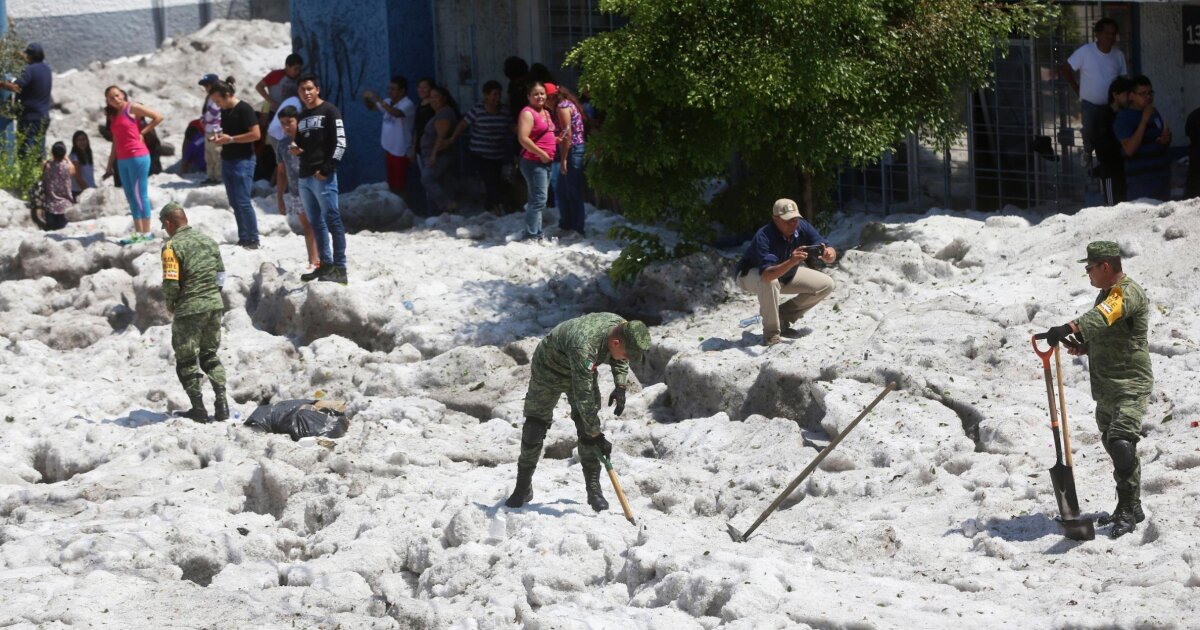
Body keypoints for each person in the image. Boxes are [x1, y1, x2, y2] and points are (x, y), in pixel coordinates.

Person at [1042, 241, 1152, 538]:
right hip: (1106, 387)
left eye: (1089, 268)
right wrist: (1086, 346)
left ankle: (1128, 508)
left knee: (1120, 442)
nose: (1087, 273)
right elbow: (1110, 329)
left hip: (1130, 383)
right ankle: (1131, 504)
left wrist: (1068, 327)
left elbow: (1106, 315)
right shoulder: (1106, 294)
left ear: (1105, 266)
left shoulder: (1125, 292)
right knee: (1112, 442)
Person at [504, 314, 652, 512]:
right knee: (534, 429)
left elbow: (621, 358)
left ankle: (594, 489)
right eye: (627, 354)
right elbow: (585, 397)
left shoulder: (624, 327)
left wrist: (621, 385)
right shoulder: (584, 345)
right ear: (615, 342)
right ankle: (522, 487)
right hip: (548, 369)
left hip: (581, 369)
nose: (627, 359)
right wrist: (597, 434)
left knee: (586, 430)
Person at [160, 202, 228, 423]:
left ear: (169, 222)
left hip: (189, 308)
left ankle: (198, 408)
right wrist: (212, 296)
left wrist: (172, 304)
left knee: (187, 359)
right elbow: (221, 275)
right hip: (214, 305)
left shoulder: (171, 246)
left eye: (164, 225)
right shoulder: (209, 241)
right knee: (210, 355)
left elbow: (171, 283)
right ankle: (222, 403)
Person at [735, 199, 838, 346]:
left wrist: (829, 254)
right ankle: (771, 334)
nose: (793, 223)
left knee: (826, 284)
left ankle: (782, 317)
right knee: (770, 282)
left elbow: (828, 247)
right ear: (775, 219)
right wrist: (792, 261)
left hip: (785, 272)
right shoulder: (764, 236)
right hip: (750, 275)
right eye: (788, 220)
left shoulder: (801, 226)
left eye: (795, 219)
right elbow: (766, 274)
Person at [293, 74, 349, 285]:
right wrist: (294, 148)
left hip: (322, 177)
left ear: (317, 89)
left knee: (332, 220)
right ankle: (324, 265)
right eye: (302, 90)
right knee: (315, 223)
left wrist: (327, 168)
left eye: (309, 88)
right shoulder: (302, 116)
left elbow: (341, 144)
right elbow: (300, 144)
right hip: (304, 177)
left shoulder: (330, 110)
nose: (306, 93)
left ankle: (340, 267)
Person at [102, 86, 163, 244]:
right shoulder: (112, 114)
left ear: (122, 94)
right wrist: (110, 164)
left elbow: (158, 117)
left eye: (117, 95)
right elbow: (115, 140)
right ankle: (138, 232)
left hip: (138, 155)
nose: (115, 99)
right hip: (122, 159)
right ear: (107, 101)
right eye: (111, 98)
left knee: (139, 194)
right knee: (130, 195)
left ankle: (147, 232)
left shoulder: (132, 107)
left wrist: (143, 132)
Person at [1061, 18, 1127, 161]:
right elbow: (1066, 68)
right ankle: (1087, 151)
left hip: (1112, 105)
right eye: (1107, 33)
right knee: (1089, 131)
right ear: (1097, 34)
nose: (1110, 37)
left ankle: (1112, 158)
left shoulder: (1118, 55)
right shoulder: (1085, 51)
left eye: (1113, 34)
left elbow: (1123, 80)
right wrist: (1076, 88)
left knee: (1113, 133)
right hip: (1090, 103)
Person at [208, 80, 262, 249]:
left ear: (227, 95)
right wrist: (219, 138)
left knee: (243, 200)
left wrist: (231, 139)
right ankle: (244, 237)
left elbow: (255, 134)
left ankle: (253, 238)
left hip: (243, 160)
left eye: (218, 101)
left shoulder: (245, 109)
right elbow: (229, 133)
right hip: (228, 159)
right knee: (234, 201)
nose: (218, 105)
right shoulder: (225, 111)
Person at [448, 80, 510, 214]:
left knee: (496, 181)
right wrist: (452, 139)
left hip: (497, 154)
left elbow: (512, 127)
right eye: (493, 94)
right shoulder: (477, 110)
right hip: (480, 154)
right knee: (490, 181)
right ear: (486, 95)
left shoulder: (504, 111)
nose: (496, 98)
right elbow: (463, 125)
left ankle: (488, 209)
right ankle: (496, 208)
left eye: (498, 94)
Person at [275, 106, 321, 271]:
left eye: (290, 122)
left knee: (318, 224)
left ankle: (324, 259)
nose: (286, 126)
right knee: (307, 227)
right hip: (295, 192)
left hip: (314, 189)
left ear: (298, 121)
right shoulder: (282, 145)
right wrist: (280, 197)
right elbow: (281, 172)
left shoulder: (310, 139)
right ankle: (313, 260)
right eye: (282, 123)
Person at [1114, 75, 1171, 201]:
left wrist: (1165, 140)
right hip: (1141, 182)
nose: (1148, 97)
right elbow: (1129, 149)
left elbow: (1158, 139)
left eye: (1150, 93)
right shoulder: (1124, 118)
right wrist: (1143, 121)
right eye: (1143, 94)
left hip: (1161, 177)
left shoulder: (1154, 112)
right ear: (1131, 96)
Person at [516, 81, 557, 241]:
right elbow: (523, 138)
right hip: (533, 161)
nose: (539, 96)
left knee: (539, 199)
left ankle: (536, 233)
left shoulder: (546, 112)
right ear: (529, 97)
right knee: (538, 199)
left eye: (542, 93)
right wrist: (541, 153)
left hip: (545, 161)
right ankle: (532, 234)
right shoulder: (527, 113)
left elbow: (546, 133)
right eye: (535, 94)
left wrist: (555, 140)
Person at [364, 76, 416, 196]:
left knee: (400, 184)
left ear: (402, 91)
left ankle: (404, 209)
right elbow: (371, 107)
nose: (389, 91)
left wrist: (378, 99)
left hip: (401, 150)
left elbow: (397, 113)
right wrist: (367, 98)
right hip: (389, 148)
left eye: (393, 89)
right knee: (392, 183)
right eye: (389, 88)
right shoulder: (388, 102)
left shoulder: (407, 104)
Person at [0, 42, 52, 158]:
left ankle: (26, 175)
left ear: (31, 56)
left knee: (25, 152)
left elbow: (16, 87)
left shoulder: (30, 69)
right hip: (44, 116)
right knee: (39, 151)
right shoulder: (47, 68)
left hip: (31, 118)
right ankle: (40, 175)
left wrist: (2, 84)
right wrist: (17, 53)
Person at [550, 83, 588, 234]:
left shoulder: (562, 107)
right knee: (561, 188)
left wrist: (564, 159)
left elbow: (567, 134)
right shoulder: (566, 104)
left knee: (572, 190)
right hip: (572, 149)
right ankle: (567, 223)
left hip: (572, 150)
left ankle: (577, 227)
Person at [1090, 77, 1132, 206]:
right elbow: (1100, 142)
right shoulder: (1104, 115)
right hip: (1110, 168)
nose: (1129, 98)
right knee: (1112, 206)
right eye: (1126, 94)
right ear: (1115, 94)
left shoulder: (1125, 114)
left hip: (1123, 168)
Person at [418, 85, 459, 215]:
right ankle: (438, 212)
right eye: (431, 97)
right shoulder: (439, 113)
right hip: (431, 154)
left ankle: (447, 204)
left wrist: (434, 155)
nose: (433, 100)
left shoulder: (445, 114)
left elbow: (441, 137)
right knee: (441, 182)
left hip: (439, 155)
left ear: (444, 99)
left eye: (436, 97)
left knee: (427, 179)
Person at [41, 141, 74, 231]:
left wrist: (52, 157)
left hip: (50, 206)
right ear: (64, 153)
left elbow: (44, 163)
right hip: (65, 206)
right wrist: (67, 158)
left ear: (52, 153)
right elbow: (73, 169)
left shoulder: (46, 165)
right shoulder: (68, 167)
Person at [198, 74, 225, 184]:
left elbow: (212, 114)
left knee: (217, 155)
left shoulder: (218, 97)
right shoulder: (209, 97)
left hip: (216, 130)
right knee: (209, 155)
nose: (206, 89)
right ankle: (210, 176)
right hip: (208, 130)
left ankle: (219, 177)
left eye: (207, 86)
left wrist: (204, 119)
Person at [69, 130, 96, 199]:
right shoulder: (74, 156)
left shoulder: (87, 154)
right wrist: (88, 192)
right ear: (75, 142)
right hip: (80, 191)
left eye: (84, 139)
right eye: (79, 140)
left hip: (89, 189)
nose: (82, 142)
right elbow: (78, 178)